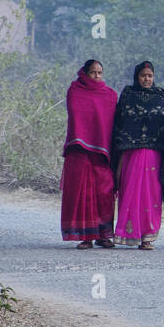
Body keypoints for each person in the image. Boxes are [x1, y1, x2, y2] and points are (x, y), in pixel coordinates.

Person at [110, 61, 164, 249]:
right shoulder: (128, 95)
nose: (147, 79)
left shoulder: (161, 97)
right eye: (143, 76)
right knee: (131, 192)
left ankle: (147, 237)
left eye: (150, 76)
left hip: (155, 154)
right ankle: (128, 234)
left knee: (150, 194)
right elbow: (120, 124)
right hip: (131, 154)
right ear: (136, 77)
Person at [61, 59, 119, 249]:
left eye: (100, 73)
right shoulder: (75, 91)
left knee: (104, 192)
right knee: (84, 194)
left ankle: (103, 235)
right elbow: (78, 117)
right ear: (85, 73)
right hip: (80, 151)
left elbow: (111, 122)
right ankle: (86, 236)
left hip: (102, 153)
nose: (97, 76)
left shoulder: (109, 95)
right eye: (93, 72)